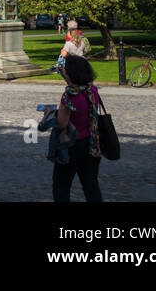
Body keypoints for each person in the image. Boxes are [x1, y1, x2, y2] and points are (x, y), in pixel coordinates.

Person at [53, 55, 104, 202]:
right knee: (91, 186)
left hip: (73, 144)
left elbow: (62, 124)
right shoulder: (92, 91)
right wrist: (68, 79)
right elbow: (78, 88)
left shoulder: (69, 96)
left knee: (61, 186)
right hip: (93, 143)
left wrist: (50, 114)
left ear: (71, 73)